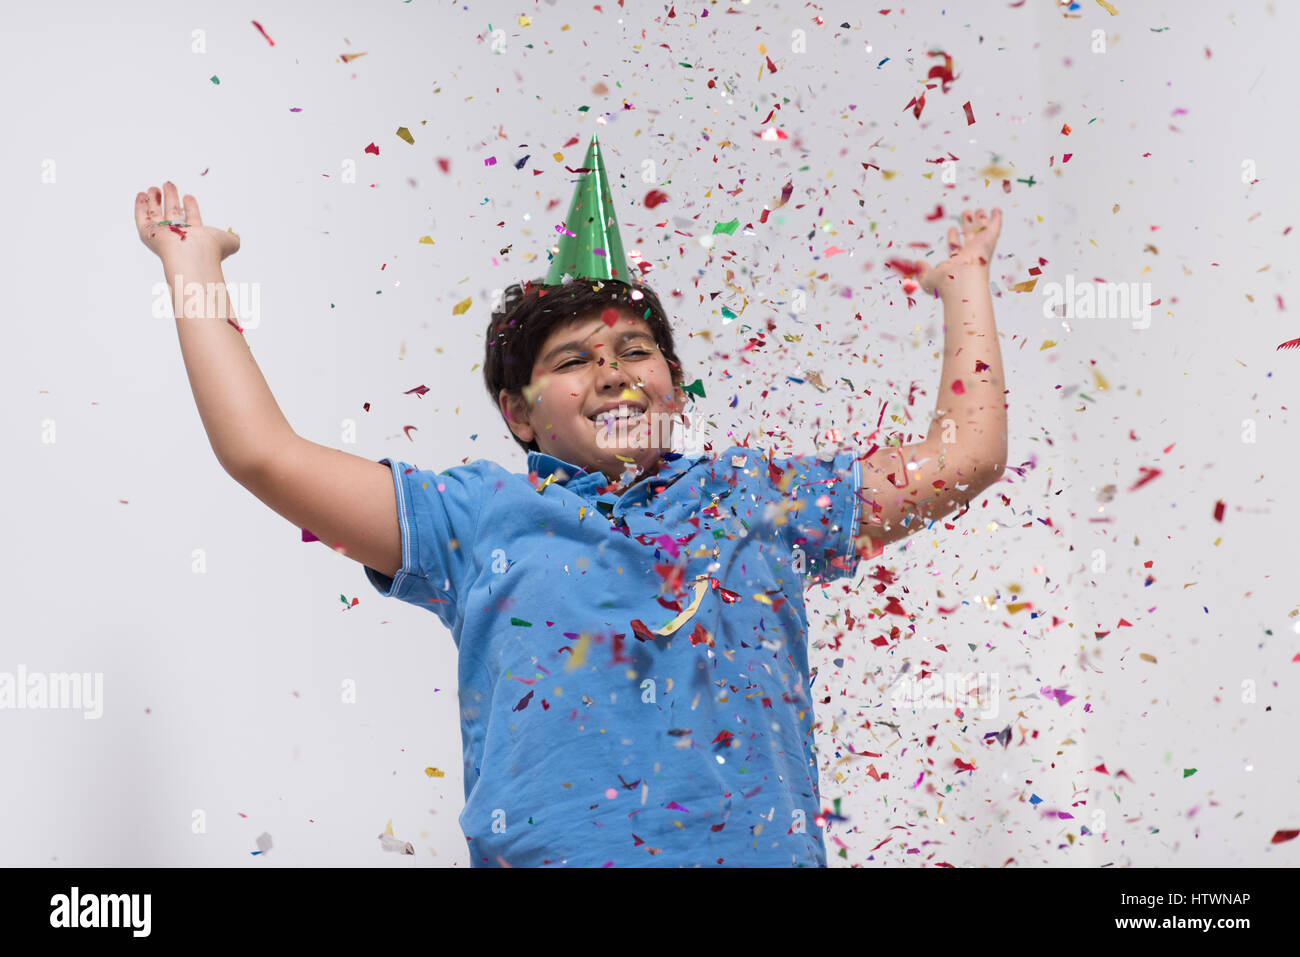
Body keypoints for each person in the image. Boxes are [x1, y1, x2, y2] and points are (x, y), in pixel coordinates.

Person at [134, 133, 1007, 867]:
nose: (614, 372)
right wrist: (191, 262)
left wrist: (965, 279)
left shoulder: (759, 497)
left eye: (636, 350)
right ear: (517, 412)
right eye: (572, 360)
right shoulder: (475, 518)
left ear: (675, 386)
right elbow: (261, 453)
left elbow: (966, 455)